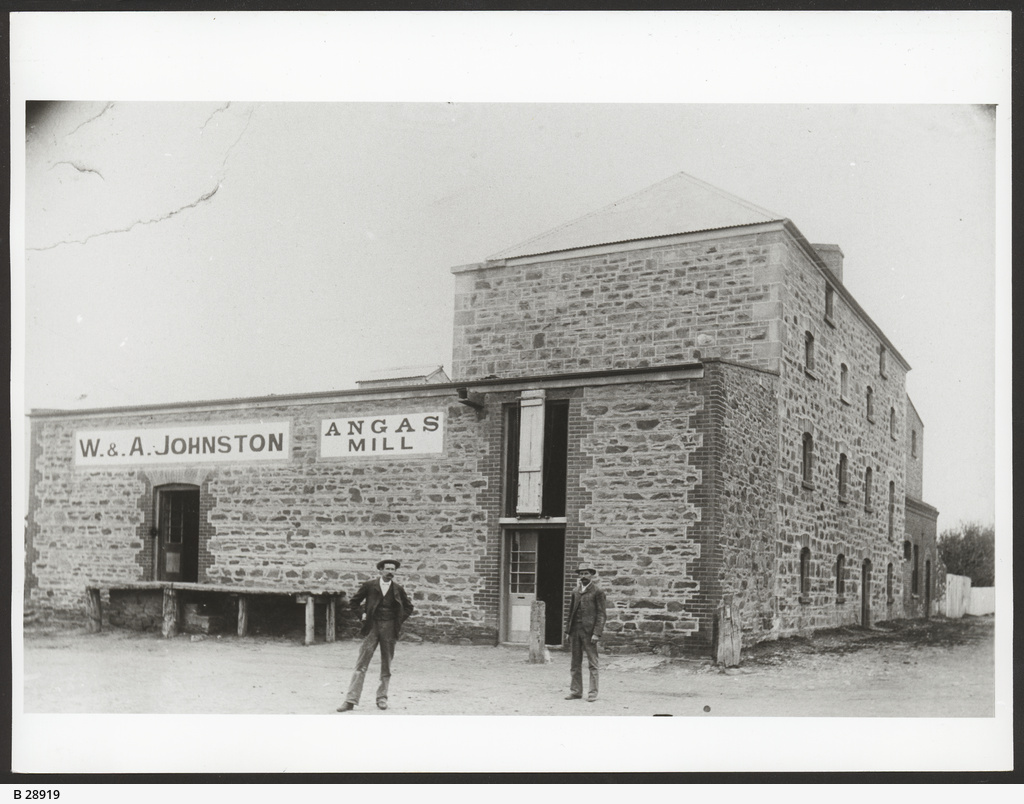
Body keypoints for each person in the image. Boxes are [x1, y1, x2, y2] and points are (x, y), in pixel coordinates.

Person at [336, 558, 415, 712]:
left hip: (389, 629)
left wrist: (397, 620)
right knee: (361, 664)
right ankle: (350, 700)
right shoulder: (369, 586)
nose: (390, 571)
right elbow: (354, 602)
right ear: (380, 570)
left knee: (386, 665)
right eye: (387, 569)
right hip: (372, 627)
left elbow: (409, 607)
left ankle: (382, 698)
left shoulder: (397, 589)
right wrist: (363, 616)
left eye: (393, 569)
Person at [564, 563, 607, 702]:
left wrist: (597, 633)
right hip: (575, 631)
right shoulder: (575, 591)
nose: (583, 576)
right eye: (581, 574)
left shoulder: (598, 591)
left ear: (592, 575)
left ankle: (593, 693)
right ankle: (576, 691)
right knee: (575, 663)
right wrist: (567, 631)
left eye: (586, 573)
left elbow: (601, 614)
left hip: (589, 633)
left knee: (592, 663)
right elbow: (571, 612)